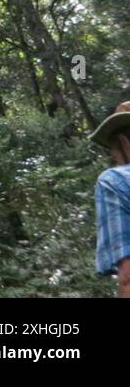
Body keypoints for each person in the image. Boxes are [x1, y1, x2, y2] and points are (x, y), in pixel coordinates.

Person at [91, 100, 130, 297]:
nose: (114, 159)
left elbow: (128, 279)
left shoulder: (115, 181)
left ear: (125, 142)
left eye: (114, 153)